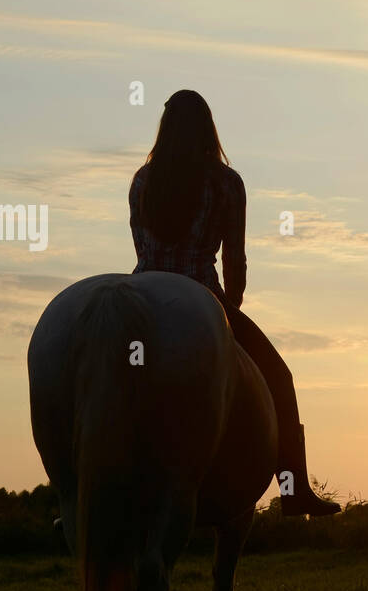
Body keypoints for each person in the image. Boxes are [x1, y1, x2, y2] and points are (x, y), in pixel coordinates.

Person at [129, 89, 340, 517]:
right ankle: (294, 487)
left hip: (142, 299)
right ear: (208, 128)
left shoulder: (142, 180)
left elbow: (140, 250)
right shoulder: (227, 183)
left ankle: (81, 493)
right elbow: (235, 261)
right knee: (280, 377)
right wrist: (231, 310)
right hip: (204, 296)